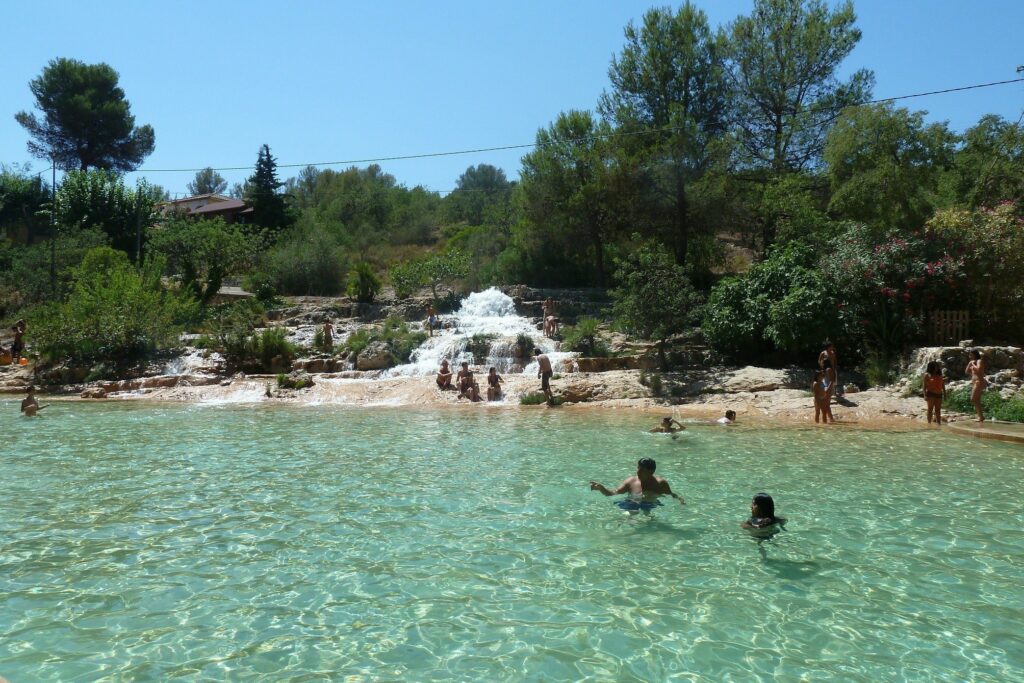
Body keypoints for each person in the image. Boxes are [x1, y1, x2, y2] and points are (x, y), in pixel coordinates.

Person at [590, 458, 684, 512]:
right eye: (638, 467)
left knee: (649, 517)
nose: (638, 471)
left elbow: (670, 495)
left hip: (650, 504)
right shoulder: (631, 481)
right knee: (627, 518)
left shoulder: (660, 483)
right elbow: (613, 493)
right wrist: (601, 488)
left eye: (642, 469)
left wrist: (680, 501)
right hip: (632, 503)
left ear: (651, 471)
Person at [966, 349, 987, 422]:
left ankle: (981, 416)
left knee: (973, 398)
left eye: (971, 354)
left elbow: (978, 369)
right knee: (976, 399)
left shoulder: (979, 361)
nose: (969, 356)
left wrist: (973, 364)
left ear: (975, 354)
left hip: (979, 381)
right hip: (975, 382)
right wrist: (970, 364)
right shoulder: (972, 362)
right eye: (969, 354)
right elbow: (966, 371)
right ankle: (980, 416)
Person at [923, 360, 945, 425]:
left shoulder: (940, 374)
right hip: (930, 394)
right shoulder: (927, 375)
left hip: (939, 394)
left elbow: (943, 385)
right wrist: (924, 395)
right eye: (935, 366)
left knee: (938, 410)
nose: (937, 367)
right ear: (931, 367)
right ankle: (929, 423)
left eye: (937, 366)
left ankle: (939, 424)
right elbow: (924, 386)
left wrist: (945, 394)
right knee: (930, 409)